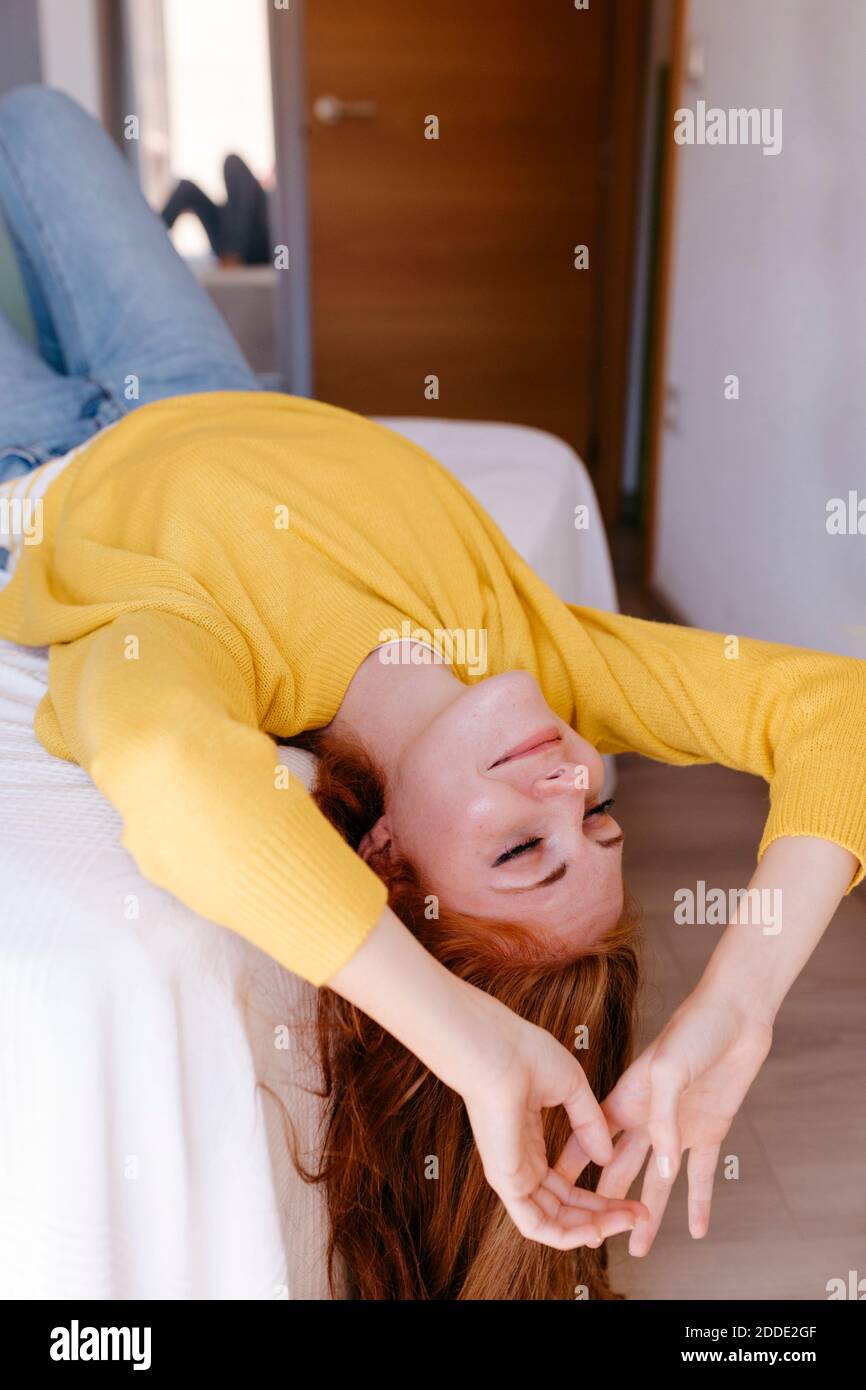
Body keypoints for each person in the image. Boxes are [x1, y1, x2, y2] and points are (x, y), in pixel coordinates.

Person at [0, 86, 863, 1297]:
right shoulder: (554, 664)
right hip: (206, 389)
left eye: (522, 850)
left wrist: (463, 1043)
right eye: (598, 820)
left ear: (387, 857)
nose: (569, 780)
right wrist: (739, 1003)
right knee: (40, 119)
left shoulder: (202, 657)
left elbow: (170, 778)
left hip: (35, 464)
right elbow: (839, 711)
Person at [160, 152, 271, 265]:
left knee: (233, 162)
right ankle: (152, 236)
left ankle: (234, 253)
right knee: (186, 187)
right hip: (229, 241)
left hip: (254, 248)